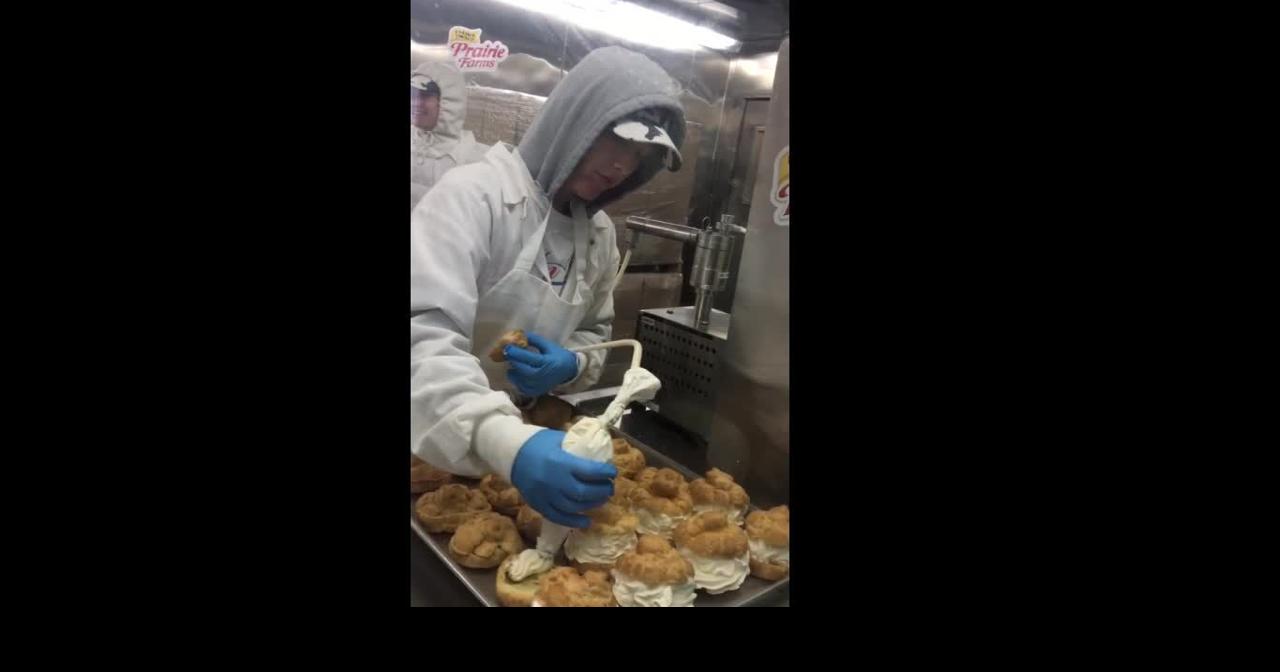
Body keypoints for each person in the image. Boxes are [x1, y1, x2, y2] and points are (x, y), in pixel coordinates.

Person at [410, 47, 686, 528]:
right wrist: (507, 443)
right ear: (576, 119)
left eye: (640, 158)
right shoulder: (474, 197)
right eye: (616, 141)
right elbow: (422, 337)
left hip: (525, 447)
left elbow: (596, 335)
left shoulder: (599, 236)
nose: (622, 167)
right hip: (430, 434)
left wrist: (570, 365)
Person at [410, 61, 489, 209]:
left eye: (424, 96)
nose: (415, 103)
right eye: (412, 95)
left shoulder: (475, 161)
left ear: (450, 102)